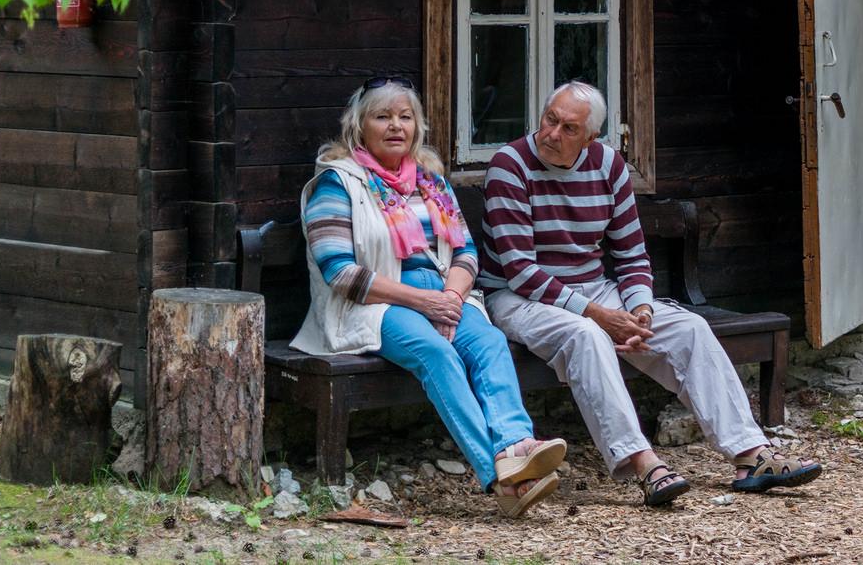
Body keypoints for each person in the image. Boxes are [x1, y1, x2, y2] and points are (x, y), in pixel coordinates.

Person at [479, 82, 823, 508]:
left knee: (688, 328)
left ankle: (750, 454)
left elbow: (631, 253)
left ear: (590, 138)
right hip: (518, 297)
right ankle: (645, 464)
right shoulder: (509, 165)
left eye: (569, 128)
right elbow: (520, 270)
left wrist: (640, 310)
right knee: (585, 336)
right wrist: (600, 315)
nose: (552, 134)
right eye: (551, 119)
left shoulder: (608, 165)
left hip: (593, 289)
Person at [290, 78, 566, 517]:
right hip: (375, 302)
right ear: (360, 127)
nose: (396, 126)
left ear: (418, 126)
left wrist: (451, 299)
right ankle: (498, 471)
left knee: (490, 342)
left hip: (443, 292)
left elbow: (465, 251)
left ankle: (517, 443)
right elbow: (340, 272)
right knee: (437, 352)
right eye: (383, 116)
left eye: (405, 117)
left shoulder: (431, 181)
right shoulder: (336, 183)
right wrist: (425, 304)